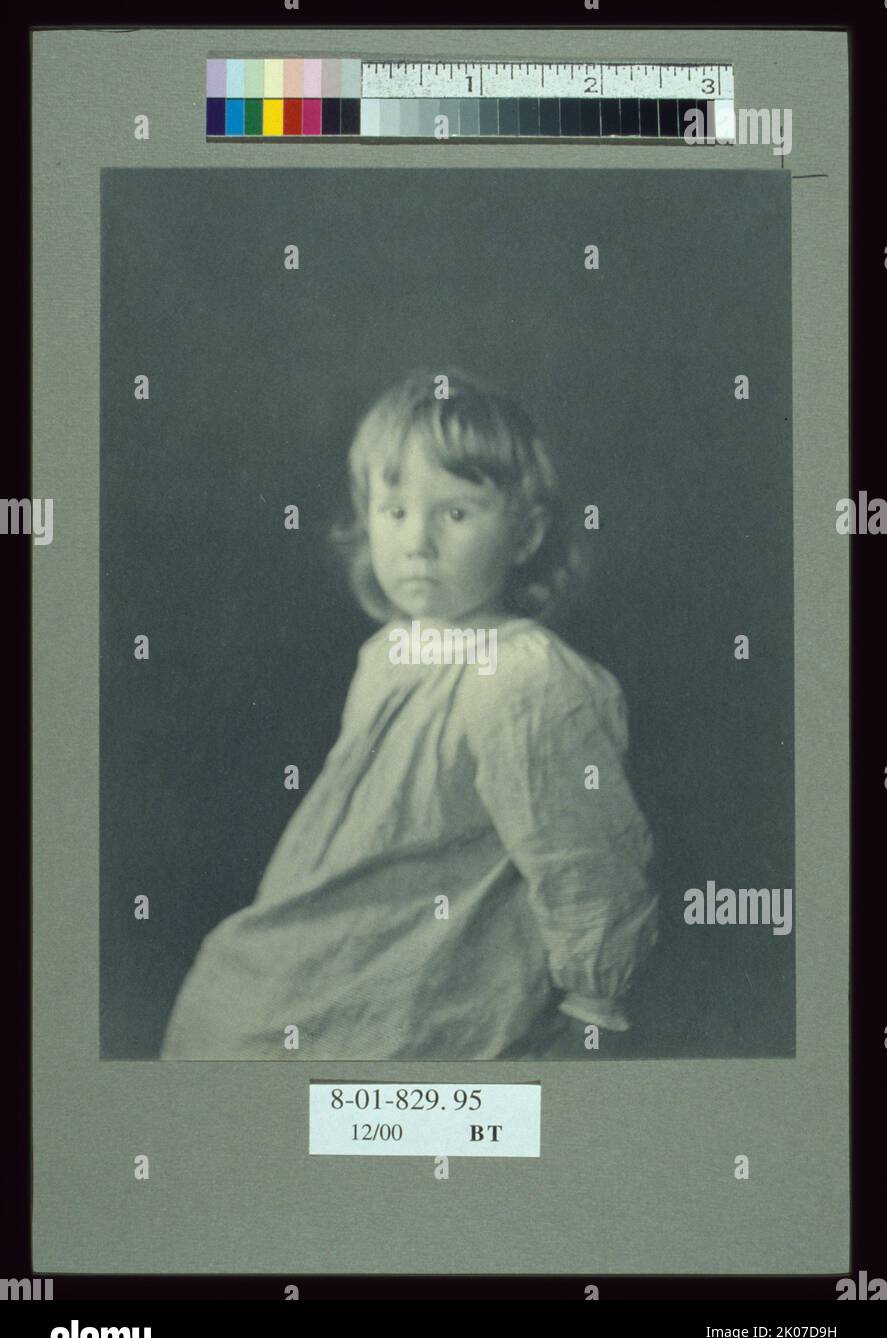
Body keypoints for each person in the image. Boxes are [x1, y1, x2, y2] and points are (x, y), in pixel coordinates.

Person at [161, 368, 658, 1061]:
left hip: (442, 965)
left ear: (524, 531)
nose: (416, 541)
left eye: (454, 514)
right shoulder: (388, 652)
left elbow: (581, 856)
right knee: (224, 1005)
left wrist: (593, 1000)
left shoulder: (524, 677)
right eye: (394, 512)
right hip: (353, 926)